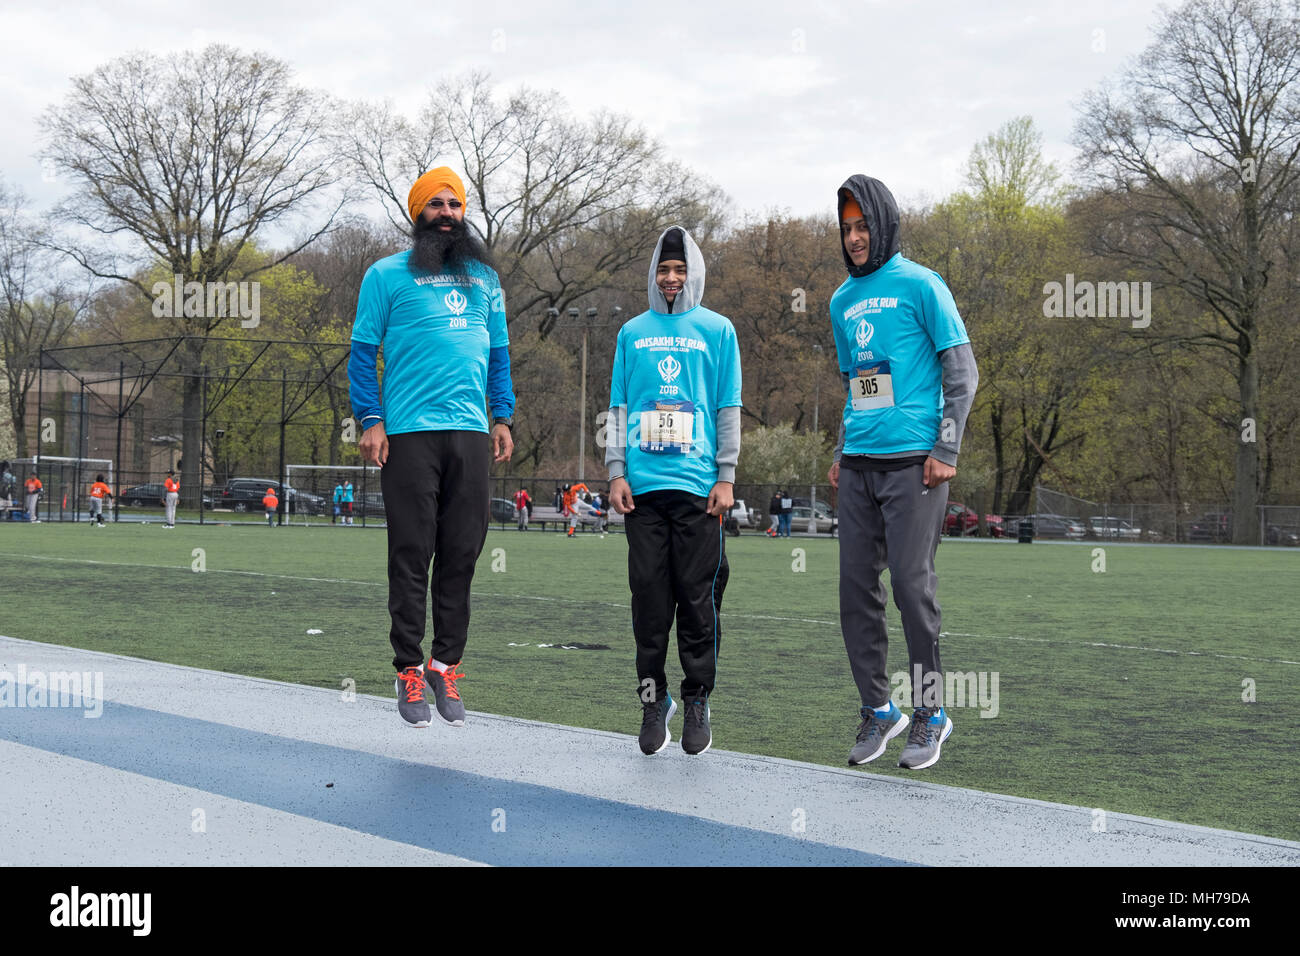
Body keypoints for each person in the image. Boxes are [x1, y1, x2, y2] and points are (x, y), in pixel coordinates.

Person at [349, 165, 515, 730]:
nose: (447, 212)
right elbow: (362, 354)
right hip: (409, 434)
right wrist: (370, 420)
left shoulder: (485, 280)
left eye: (455, 204)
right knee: (412, 553)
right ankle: (407, 668)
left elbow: (498, 357)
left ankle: (445, 662)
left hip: (470, 433)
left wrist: (504, 417)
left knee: (463, 552)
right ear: (417, 212)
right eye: (436, 204)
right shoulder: (385, 275)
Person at [828, 175, 978, 771]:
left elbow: (962, 374)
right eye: (846, 228)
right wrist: (843, 450)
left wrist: (947, 448)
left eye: (863, 226)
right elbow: (857, 383)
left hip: (916, 466)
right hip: (859, 466)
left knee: (913, 589)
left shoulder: (922, 284)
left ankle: (932, 712)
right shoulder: (841, 301)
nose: (855, 237)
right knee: (854, 592)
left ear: (884, 224)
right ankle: (879, 709)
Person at [607, 225, 742, 757]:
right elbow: (618, 409)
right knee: (649, 601)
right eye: (664, 269)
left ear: (694, 272)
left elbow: (726, 408)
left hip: (697, 490)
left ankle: (696, 698)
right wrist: (616, 470)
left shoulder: (718, 330)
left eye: (680, 269)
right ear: (652, 274)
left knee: (697, 599)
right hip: (642, 491)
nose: (670, 278)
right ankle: (652, 698)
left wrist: (726, 475)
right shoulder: (630, 334)